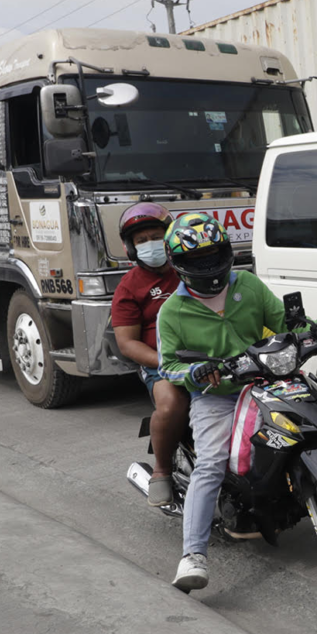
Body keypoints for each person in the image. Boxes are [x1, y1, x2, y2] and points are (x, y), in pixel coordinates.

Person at [156, 212, 317, 593]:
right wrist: (196, 373)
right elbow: (169, 367)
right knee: (212, 463)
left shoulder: (246, 283)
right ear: (180, 265)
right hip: (220, 396)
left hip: (271, 376)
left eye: (213, 255)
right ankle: (193, 554)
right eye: (198, 261)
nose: (209, 266)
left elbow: (285, 321)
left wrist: (316, 329)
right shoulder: (172, 312)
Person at [110, 202, 187, 508]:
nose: (150, 245)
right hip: (161, 363)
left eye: (156, 236)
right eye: (142, 241)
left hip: (209, 352)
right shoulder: (129, 287)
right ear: (131, 248)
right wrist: (165, 363)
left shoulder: (191, 268)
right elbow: (128, 343)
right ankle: (162, 471)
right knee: (171, 405)